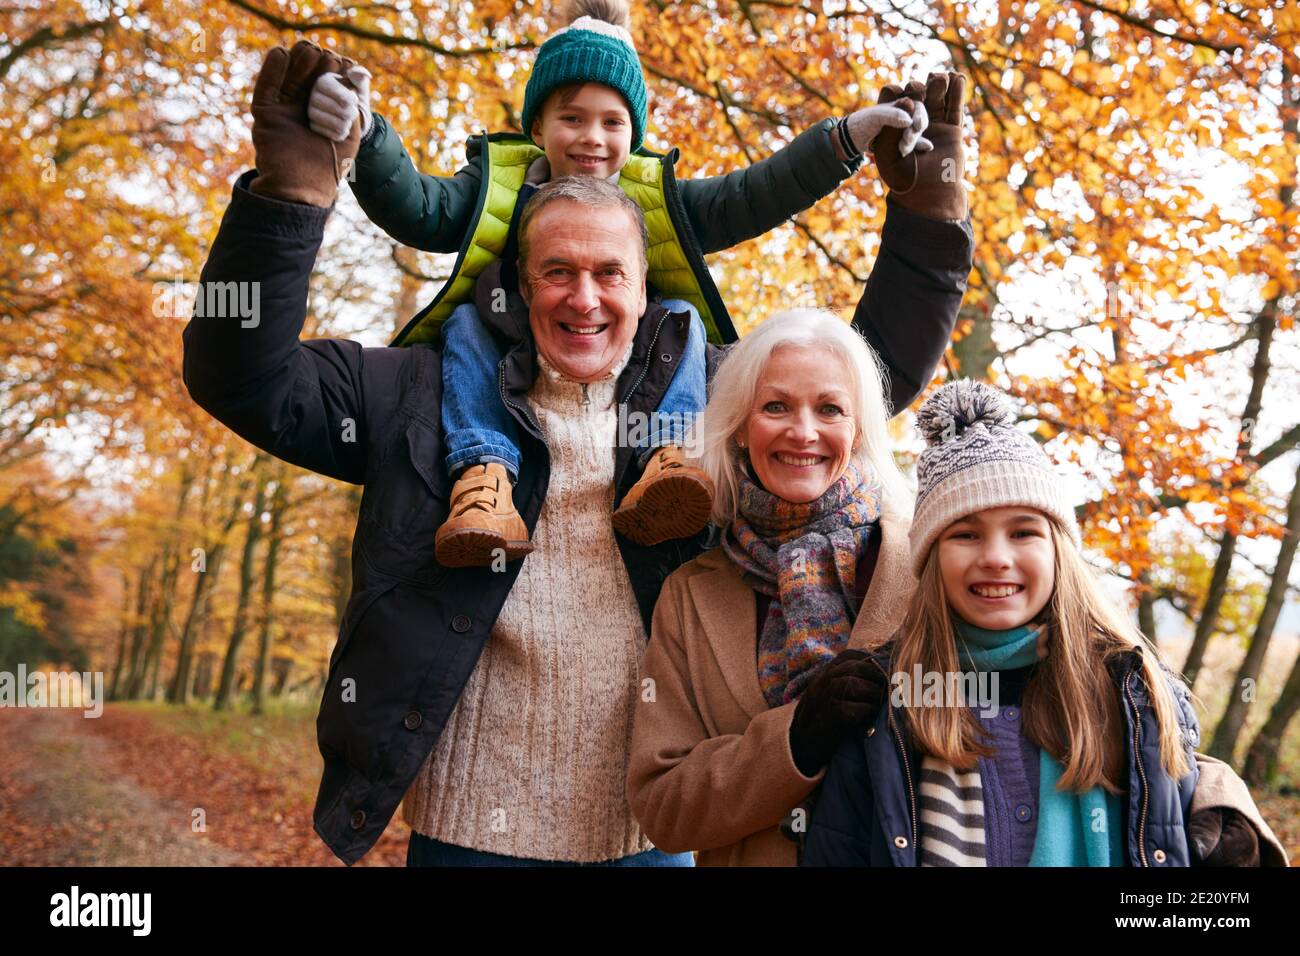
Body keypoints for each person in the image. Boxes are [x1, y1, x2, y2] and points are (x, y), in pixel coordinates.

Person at [181, 39, 974, 865]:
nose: (584, 297)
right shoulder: (417, 394)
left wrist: (929, 220)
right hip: (464, 831)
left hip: (656, 830)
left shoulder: (713, 403)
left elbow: (862, 379)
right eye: (556, 270)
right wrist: (291, 198)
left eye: (609, 273)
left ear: (646, 286)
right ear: (521, 284)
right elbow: (244, 380)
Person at [305, 0, 939, 566]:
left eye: (612, 122)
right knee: (465, 327)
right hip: (507, 334)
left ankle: (669, 461)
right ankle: (484, 472)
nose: (592, 138)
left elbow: (754, 193)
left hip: (638, 358)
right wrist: (366, 135)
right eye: (571, 118)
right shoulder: (496, 186)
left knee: (682, 321)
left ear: (635, 131)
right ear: (536, 128)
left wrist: (844, 140)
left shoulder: (657, 198)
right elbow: (417, 206)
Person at [800, 380, 1287, 866]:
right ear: (931, 558)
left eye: (1023, 532)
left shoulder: (1132, 694)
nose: (996, 558)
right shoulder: (890, 704)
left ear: (1058, 551)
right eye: (966, 534)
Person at [626, 309, 920, 865]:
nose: (803, 432)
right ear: (740, 425)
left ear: (857, 430)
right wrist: (795, 741)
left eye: (830, 409)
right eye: (776, 407)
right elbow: (663, 807)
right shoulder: (691, 595)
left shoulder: (921, 563)